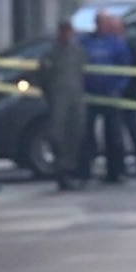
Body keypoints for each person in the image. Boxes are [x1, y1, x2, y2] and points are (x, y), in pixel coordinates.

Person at [83, 8, 136, 183]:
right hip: (91, 95)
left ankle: (115, 171)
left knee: (113, 136)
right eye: (100, 22)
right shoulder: (86, 43)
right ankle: (85, 170)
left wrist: (119, 88)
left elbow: (125, 69)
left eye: (105, 22)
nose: (102, 26)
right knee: (87, 136)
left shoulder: (117, 44)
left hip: (111, 94)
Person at [42, 19, 91, 189]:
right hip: (58, 99)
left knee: (76, 134)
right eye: (64, 31)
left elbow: (83, 72)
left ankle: (72, 169)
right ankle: (61, 171)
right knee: (58, 135)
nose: (67, 34)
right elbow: (43, 77)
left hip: (75, 98)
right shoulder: (51, 53)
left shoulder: (78, 51)